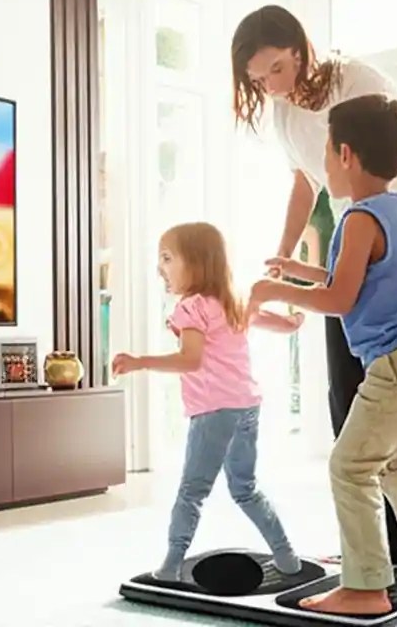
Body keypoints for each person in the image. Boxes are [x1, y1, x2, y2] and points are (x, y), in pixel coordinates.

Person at [231, 4, 397, 568]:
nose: (272, 87)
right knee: (349, 386)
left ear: (301, 50)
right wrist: (285, 257)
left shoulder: (357, 81)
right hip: (356, 232)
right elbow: (305, 183)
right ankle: (369, 539)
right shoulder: (284, 113)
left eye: (277, 69)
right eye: (258, 80)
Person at [111, 222, 306, 581]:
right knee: (245, 489)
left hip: (214, 412)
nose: (159, 268)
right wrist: (294, 319)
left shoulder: (191, 308)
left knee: (192, 492)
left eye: (167, 258)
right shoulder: (234, 302)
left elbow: (190, 360)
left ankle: (170, 567)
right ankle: (287, 557)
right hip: (247, 407)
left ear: (197, 262)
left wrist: (140, 362)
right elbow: (281, 324)